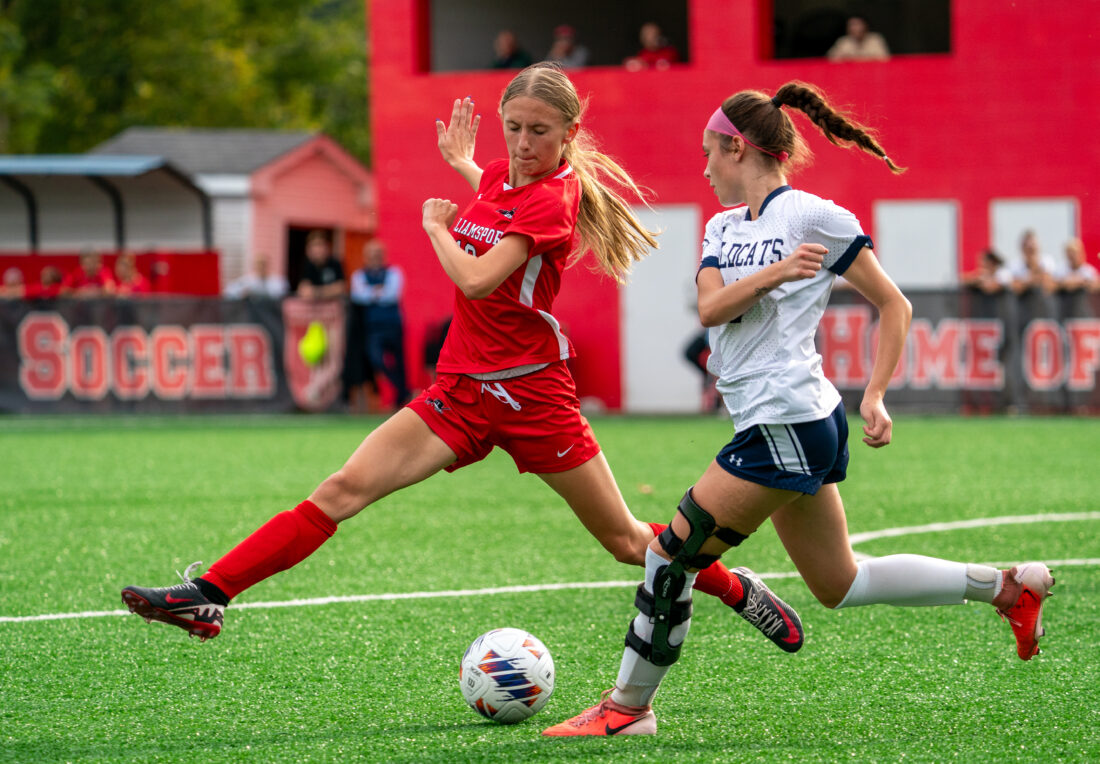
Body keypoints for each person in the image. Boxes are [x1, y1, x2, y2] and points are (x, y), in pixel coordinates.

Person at [120, 64, 804, 656]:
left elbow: (478, 279)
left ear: (569, 133)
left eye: (539, 131)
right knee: (341, 490)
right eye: (513, 126)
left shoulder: (554, 200)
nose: (522, 143)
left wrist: (438, 227)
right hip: (462, 393)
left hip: (536, 398)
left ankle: (734, 586)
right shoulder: (507, 175)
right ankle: (208, 595)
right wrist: (466, 166)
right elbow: (496, 195)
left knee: (627, 540)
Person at [543, 81, 1055, 737]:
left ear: (737, 147)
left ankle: (628, 708)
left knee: (671, 556)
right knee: (840, 582)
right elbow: (709, 308)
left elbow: (894, 305)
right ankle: (1008, 588)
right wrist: (774, 275)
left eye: (709, 153)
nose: (704, 168)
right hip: (780, 423)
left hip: (789, 419)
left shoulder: (817, 216)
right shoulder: (721, 226)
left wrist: (874, 393)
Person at [350, 239, 410, 407]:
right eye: (371, 255)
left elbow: (392, 295)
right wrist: (378, 293)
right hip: (373, 327)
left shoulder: (394, 272)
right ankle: (402, 389)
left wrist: (371, 294)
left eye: (377, 254)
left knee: (399, 362)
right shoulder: (359, 275)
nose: (374, 258)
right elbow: (358, 296)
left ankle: (401, 397)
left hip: (393, 324)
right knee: (376, 359)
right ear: (365, 257)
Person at [296, 231, 346, 300]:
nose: (317, 249)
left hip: (333, 307)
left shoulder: (335, 263)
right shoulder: (307, 265)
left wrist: (316, 292)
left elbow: (341, 287)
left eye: (319, 245)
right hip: (314, 309)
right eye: (314, 246)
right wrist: (329, 290)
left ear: (327, 247)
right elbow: (304, 290)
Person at [1010, 229, 1057, 296]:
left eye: (1033, 246)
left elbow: (1048, 286)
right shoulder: (1015, 264)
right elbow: (1016, 288)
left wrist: (1026, 280)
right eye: (1028, 247)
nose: (1030, 250)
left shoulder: (1047, 260)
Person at [224, 255, 289, 299]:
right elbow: (229, 291)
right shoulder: (247, 280)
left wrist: (256, 291)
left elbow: (279, 294)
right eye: (258, 264)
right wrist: (241, 293)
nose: (260, 267)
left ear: (268, 265)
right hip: (252, 317)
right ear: (254, 266)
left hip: (271, 316)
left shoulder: (277, 280)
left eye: (263, 264)